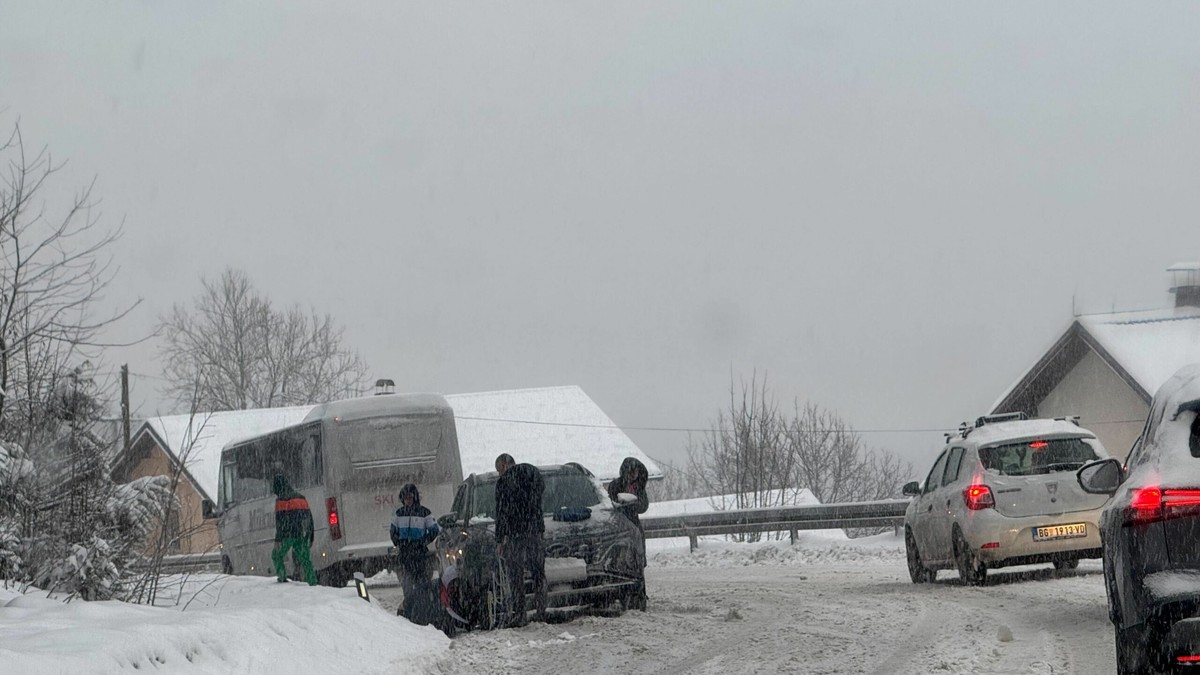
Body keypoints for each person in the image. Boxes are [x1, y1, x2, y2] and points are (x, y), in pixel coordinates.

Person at [493, 453, 546, 627]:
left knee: (516, 575)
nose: (499, 474)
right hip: (535, 531)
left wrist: (500, 540)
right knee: (538, 572)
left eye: (498, 470)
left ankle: (520, 613)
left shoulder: (503, 482)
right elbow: (540, 496)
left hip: (515, 534)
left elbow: (501, 513)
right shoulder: (533, 471)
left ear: (503, 465)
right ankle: (541, 610)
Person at [390, 483, 440, 620]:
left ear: (415, 497)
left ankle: (422, 614)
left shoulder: (425, 513)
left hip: (420, 556)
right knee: (407, 586)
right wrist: (400, 543)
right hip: (405, 556)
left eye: (410, 497)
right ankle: (409, 613)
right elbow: (393, 531)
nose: (408, 500)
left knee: (422, 586)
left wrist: (423, 542)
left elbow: (435, 530)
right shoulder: (399, 514)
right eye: (405, 497)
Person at [607, 457, 650, 610]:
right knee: (621, 561)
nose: (634, 475)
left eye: (636, 472)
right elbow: (611, 504)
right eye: (631, 472)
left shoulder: (639, 487)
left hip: (635, 527)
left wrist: (635, 504)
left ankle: (640, 593)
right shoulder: (615, 485)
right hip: (620, 527)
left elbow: (644, 505)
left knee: (638, 561)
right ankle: (621, 593)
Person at [271, 474, 318, 586]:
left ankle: (282, 576)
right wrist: (310, 536)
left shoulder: (281, 500)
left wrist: (278, 539)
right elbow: (309, 518)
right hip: (300, 534)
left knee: (276, 555)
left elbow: (280, 523)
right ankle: (312, 581)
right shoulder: (301, 498)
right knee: (305, 559)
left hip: (287, 536)